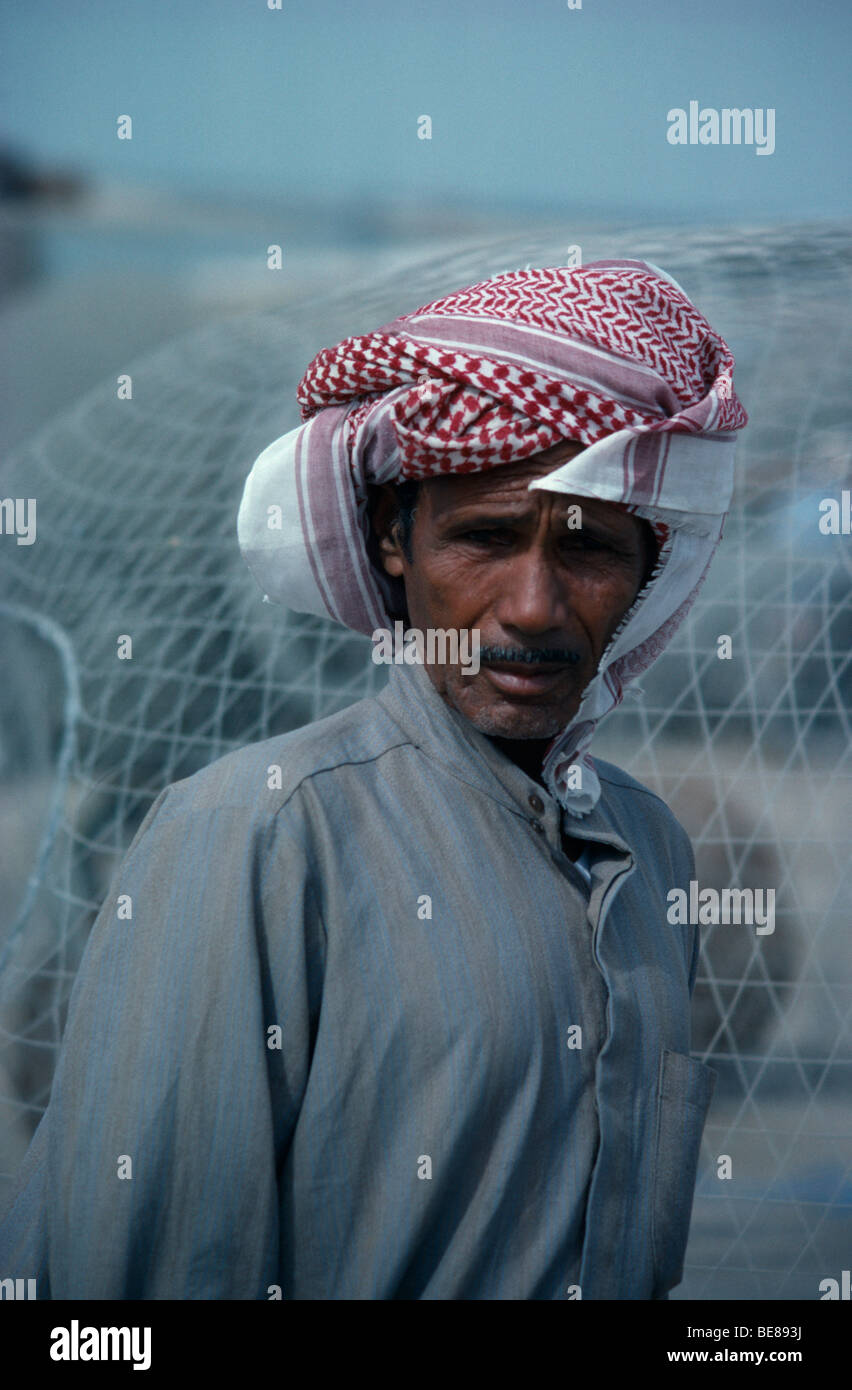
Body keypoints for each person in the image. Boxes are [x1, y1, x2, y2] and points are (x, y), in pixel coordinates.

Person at [0, 258, 747, 1300]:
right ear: (396, 543)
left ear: (645, 572)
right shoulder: (255, 834)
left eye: (589, 550)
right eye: (484, 537)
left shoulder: (652, 850)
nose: (533, 605)